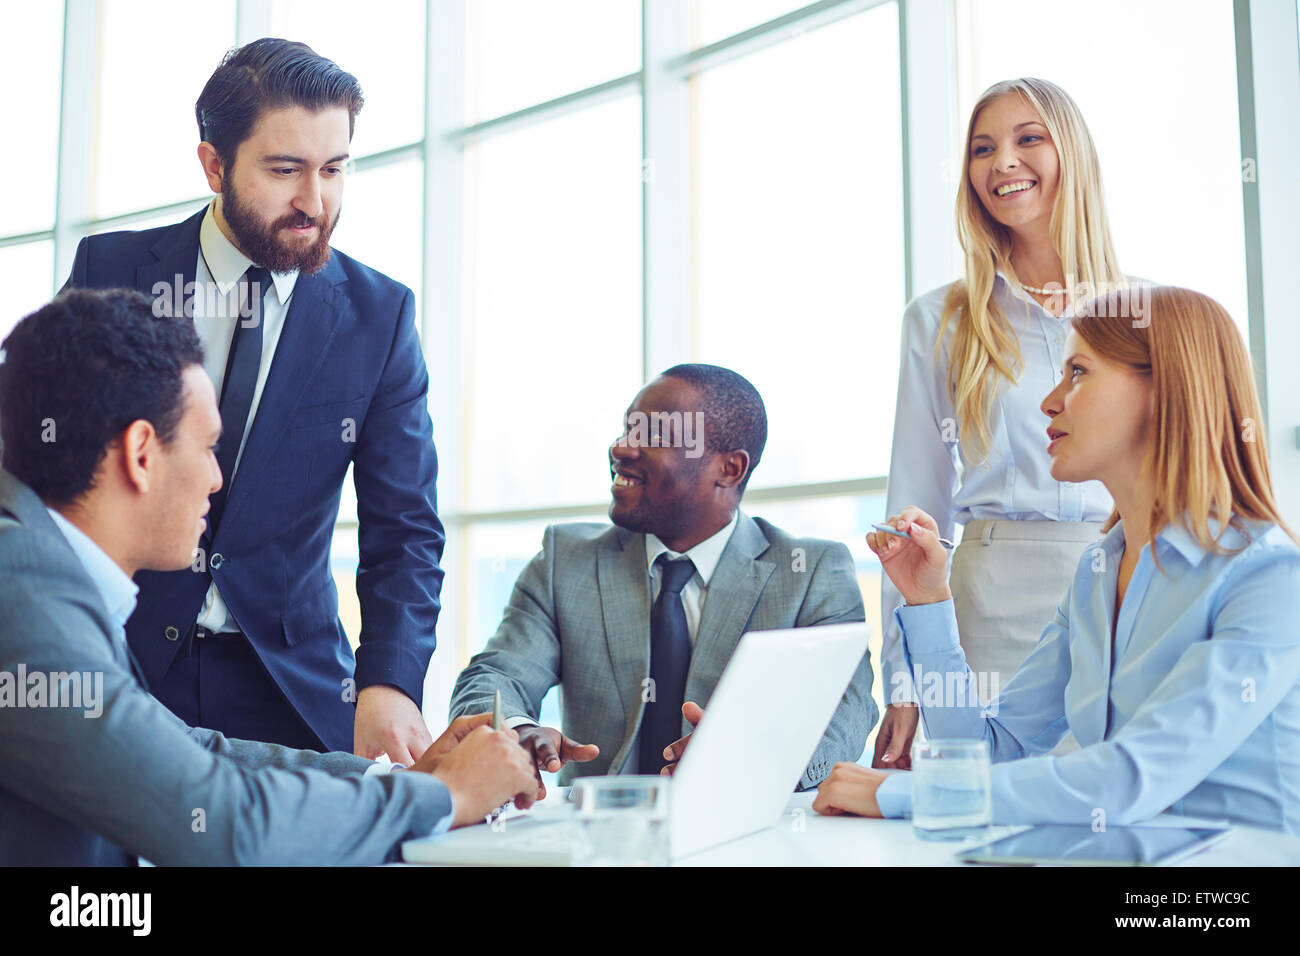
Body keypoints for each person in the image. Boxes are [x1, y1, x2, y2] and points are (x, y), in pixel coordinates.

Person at [0, 289, 538, 865]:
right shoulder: (25, 596)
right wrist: (447, 795)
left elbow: (194, 752)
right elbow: (224, 823)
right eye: (209, 448)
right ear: (140, 453)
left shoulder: (41, 574)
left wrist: (414, 781)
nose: (216, 480)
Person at [61, 39, 443, 762]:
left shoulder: (380, 315)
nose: (315, 202)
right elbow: (46, 473)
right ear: (213, 164)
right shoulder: (110, 272)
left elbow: (406, 529)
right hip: (120, 662)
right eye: (285, 170)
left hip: (293, 686)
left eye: (334, 170)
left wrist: (389, 683)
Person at [814, 286, 1300, 833]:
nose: (1048, 401)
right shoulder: (1097, 574)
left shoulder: (1268, 577)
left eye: (1078, 373)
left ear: (1163, 390)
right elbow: (989, 749)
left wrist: (911, 792)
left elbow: (1128, 778)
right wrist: (928, 599)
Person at [450, 364, 879, 790]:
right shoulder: (567, 561)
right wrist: (517, 729)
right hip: (598, 842)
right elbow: (495, 676)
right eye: (626, 429)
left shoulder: (809, 571)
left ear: (728, 469)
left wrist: (757, 760)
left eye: (652, 436)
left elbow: (849, 711)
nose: (622, 448)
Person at [874, 78, 1126, 768]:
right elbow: (915, 503)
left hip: (1123, 583)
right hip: (989, 603)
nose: (1002, 162)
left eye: (1028, 139)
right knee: (994, 806)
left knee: (1117, 799)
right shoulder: (939, 320)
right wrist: (905, 679)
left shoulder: (1143, 314)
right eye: (983, 149)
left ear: (1069, 153)